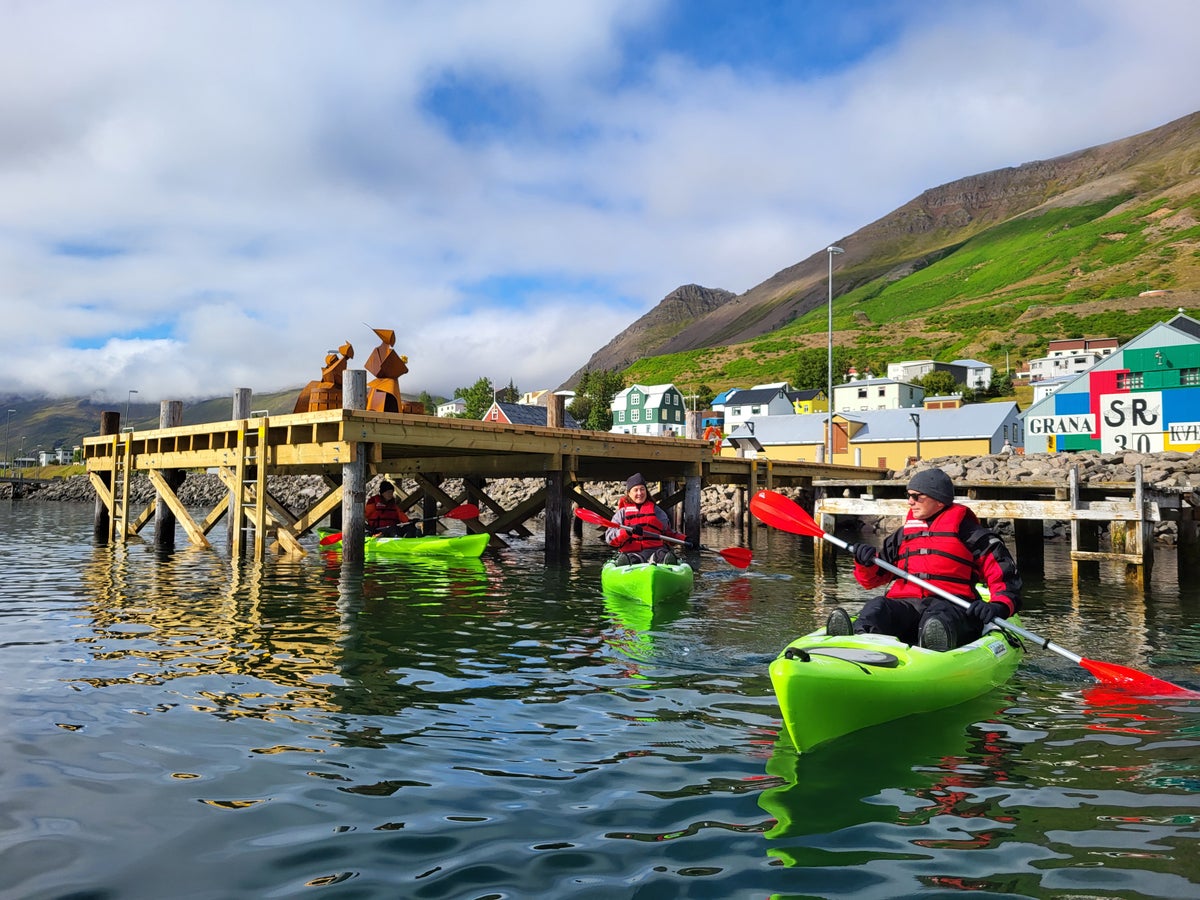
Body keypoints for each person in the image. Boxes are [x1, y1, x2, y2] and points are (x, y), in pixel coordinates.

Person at [825, 467, 1022, 651]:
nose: (910, 502)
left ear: (939, 500)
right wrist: (864, 562)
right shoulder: (903, 535)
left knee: (938, 617)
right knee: (877, 607)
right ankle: (856, 642)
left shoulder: (970, 533)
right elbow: (871, 581)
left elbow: (1005, 579)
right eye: (908, 496)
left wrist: (997, 606)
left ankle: (935, 648)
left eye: (916, 497)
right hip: (907, 607)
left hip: (953, 605)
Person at [605, 473, 690, 566]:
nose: (639, 493)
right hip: (632, 552)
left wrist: (685, 539)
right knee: (630, 559)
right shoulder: (621, 513)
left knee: (663, 555)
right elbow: (610, 538)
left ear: (646, 491)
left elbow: (668, 533)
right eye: (636, 490)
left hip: (656, 551)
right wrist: (627, 532)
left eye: (642, 489)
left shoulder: (657, 512)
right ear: (629, 493)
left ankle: (661, 562)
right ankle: (630, 563)